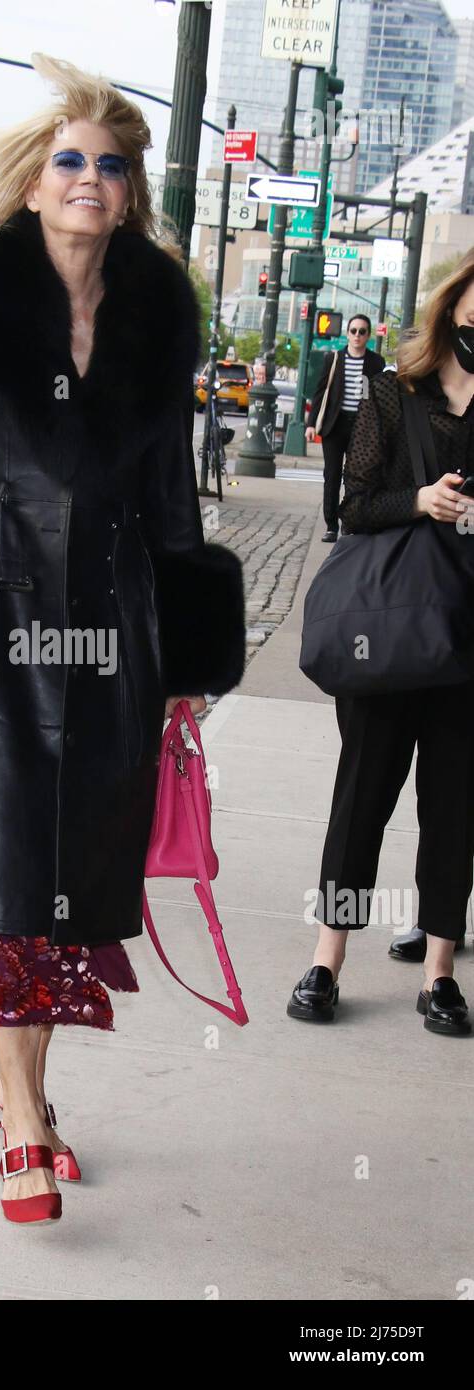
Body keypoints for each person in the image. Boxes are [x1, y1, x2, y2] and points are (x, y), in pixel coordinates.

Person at [0, 55, 245, 1224]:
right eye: (68, 160)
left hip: (114, 635)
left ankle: (22, 1093)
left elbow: (173, 501)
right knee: (8, 870)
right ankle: (21, 1122)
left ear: (127, 193)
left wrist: (186, 668)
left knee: (69, 879)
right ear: (33, 185)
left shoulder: (158, 319)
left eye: (109, 165)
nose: (88, 179)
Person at [288, 249, 474, 1036]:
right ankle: (327, 958)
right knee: (360, 797)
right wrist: (420, 500)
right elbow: (354, 505)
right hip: (389, 633)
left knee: (454, 808)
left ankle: (438, 972)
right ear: (450, 311)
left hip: (466, 643)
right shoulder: (397, 398)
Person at [306, 314, 385, 542]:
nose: (357, 335)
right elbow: (321, 392)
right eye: (353, 331)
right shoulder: (335, 358)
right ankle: (331, 524)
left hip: (361, 427)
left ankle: (349, 522)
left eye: (362, 331)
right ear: (347, 333)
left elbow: (373, 396)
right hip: (334, 425)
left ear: (368, 335)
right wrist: (311, 424)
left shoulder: (374, 362)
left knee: (356, 476)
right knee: (331, 475)